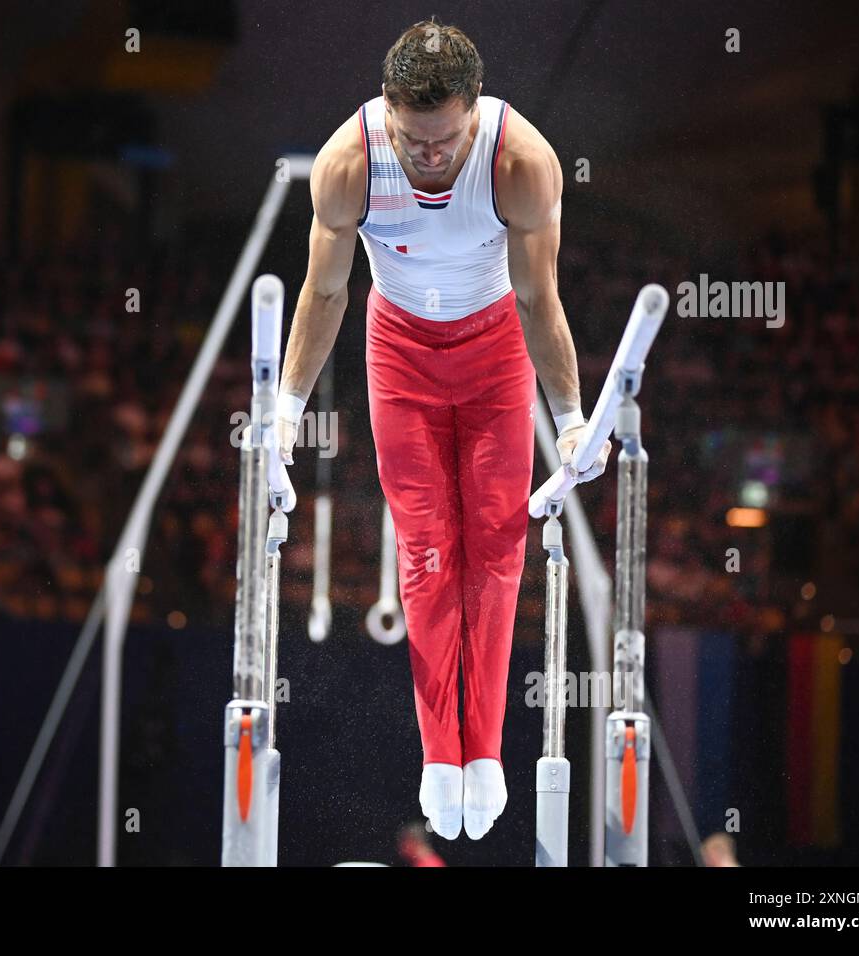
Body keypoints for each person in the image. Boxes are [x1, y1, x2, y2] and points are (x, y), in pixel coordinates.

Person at [276, 18, 610, 841]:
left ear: (474, 113)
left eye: (448, 140)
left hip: (496, 355)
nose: (430, 155)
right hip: (399, 358)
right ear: (388, 112)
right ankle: (439, 755)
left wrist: (569, 420)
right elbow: (324, 296)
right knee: (425, 550)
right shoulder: (348, 162)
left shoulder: (522, 164)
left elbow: (538, 300)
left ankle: (486, 751)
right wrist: (284, 413)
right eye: (414, 140)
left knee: (495, 548)